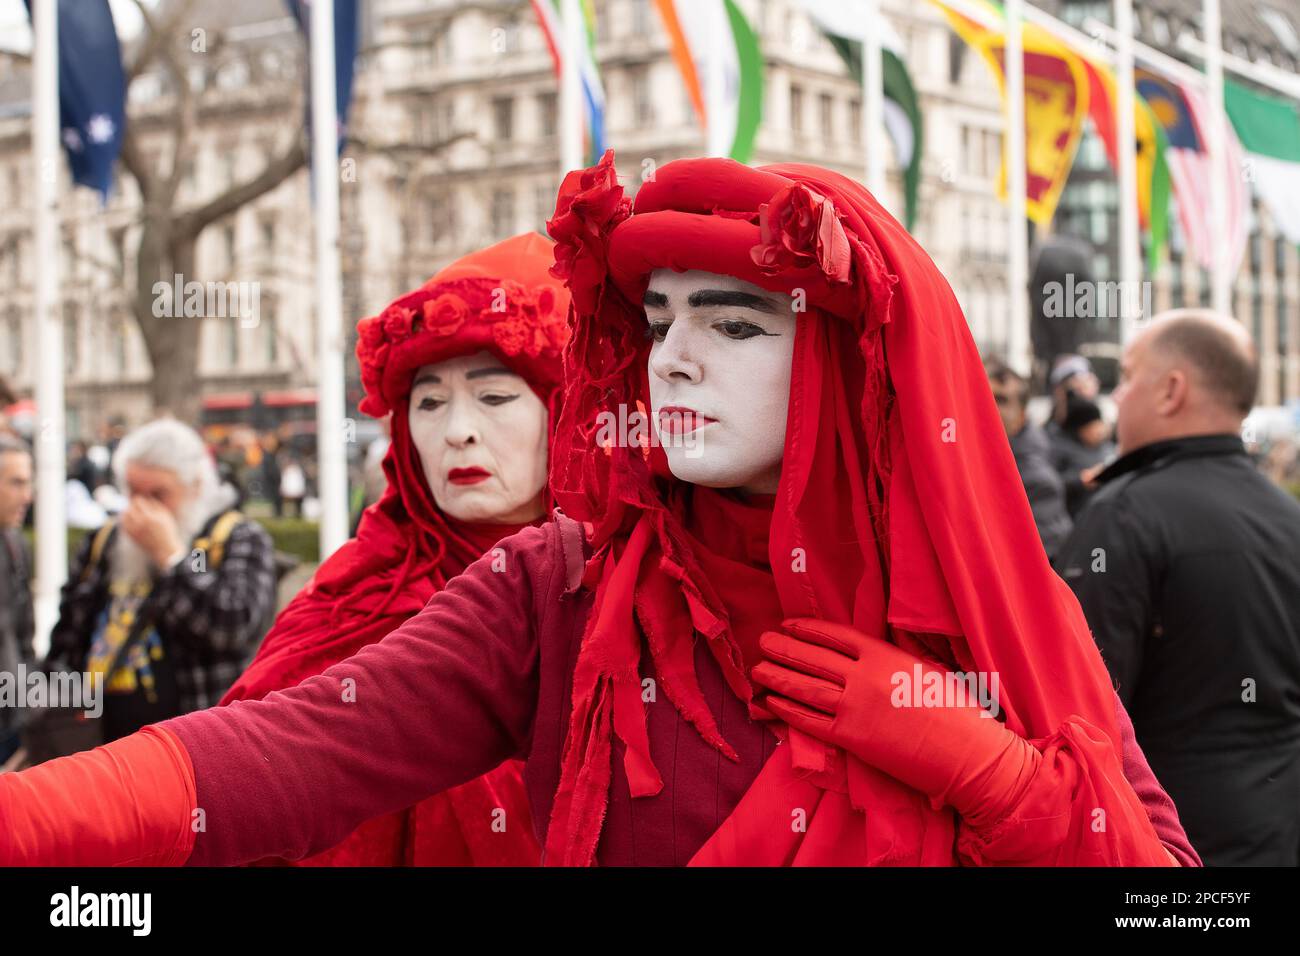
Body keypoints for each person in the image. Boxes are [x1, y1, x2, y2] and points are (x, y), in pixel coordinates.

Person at [0, 155, 1197, 867]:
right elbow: (278, 754)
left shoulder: (1006, 601)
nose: (670, 357)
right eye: (663, 313)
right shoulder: (557, 584)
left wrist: (993, 774)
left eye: (734, 323)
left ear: (856, 361)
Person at [219, 233, 568, 866]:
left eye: (494, 397)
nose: (457, 431)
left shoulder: (637, 592)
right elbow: (243, 781)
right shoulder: (355, 591)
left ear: (568, 414)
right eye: (429, 402)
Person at [1057, 309, 1300, 865]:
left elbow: (1080, 706)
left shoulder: (1125, 514)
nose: (1117, 398)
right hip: (1279, 831)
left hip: (1168, 849)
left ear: (1172, 391)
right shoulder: (1288, 519)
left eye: (1128, 376)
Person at [39, 418, 278, 746]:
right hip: (99, 750)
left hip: (194, 751)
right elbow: (66, 639)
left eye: (158, 494)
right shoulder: (105, 539)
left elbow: (231, 627)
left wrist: (171, 557)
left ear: (196, 487)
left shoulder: (239, 538)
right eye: (134, 492)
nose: (142, 507)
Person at [985, 358, 1073, 561]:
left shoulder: (1037, 482)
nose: (987, 405)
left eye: (1000, 399)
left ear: (1021, 416)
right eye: (978, 393)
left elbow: (1039, 562)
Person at [0, 436, 34, 764]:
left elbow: (25, 635)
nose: (28, 495)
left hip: (12, 717)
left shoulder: (16, 545)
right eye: (17, 483)